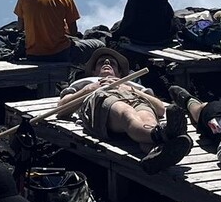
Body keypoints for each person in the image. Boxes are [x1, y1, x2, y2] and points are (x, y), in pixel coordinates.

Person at [60, 48, 191, 173]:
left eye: (112, 63)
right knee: (126, 112)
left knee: (148, 118)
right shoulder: (85, 82)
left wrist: (132, 90)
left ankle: (157, 152)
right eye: (101, 62)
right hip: (102, 98)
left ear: (120, 73)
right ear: (94, 71)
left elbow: (160, 108)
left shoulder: (132, 85)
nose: (107, 63)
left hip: (134, 97)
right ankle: (164, 135)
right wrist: (89, 89)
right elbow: (62, 107)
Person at [14, 0, 105, 63]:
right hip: (60, 53)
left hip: (33, 54)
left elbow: (20, 26)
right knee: (99, 45)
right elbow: (73, 32)